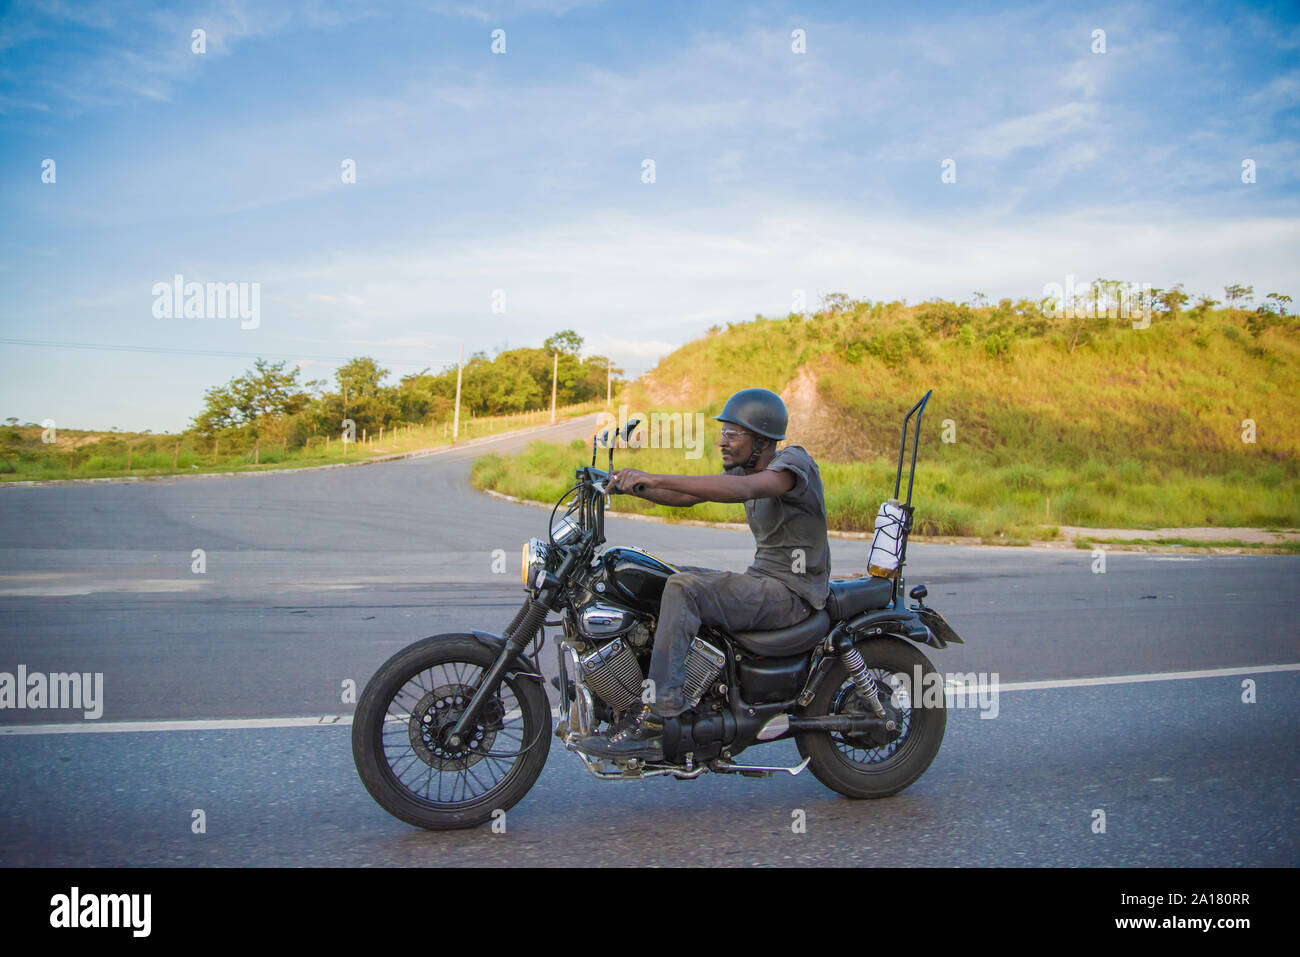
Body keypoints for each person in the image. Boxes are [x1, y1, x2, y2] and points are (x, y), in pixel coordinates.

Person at [574, 388, 831, 762]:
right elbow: (687, 497)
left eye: (732, 434)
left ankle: (659, 717)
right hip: (763, 580)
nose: (722, 442)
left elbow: (741, 489)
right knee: (664, 580)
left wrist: (655, 475)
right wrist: (632, 486)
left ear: (761, 439)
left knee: (685, 588)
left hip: (792, 592)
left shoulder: (792, 465)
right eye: (723, 433)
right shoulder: (746, 469)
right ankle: (631, 689)